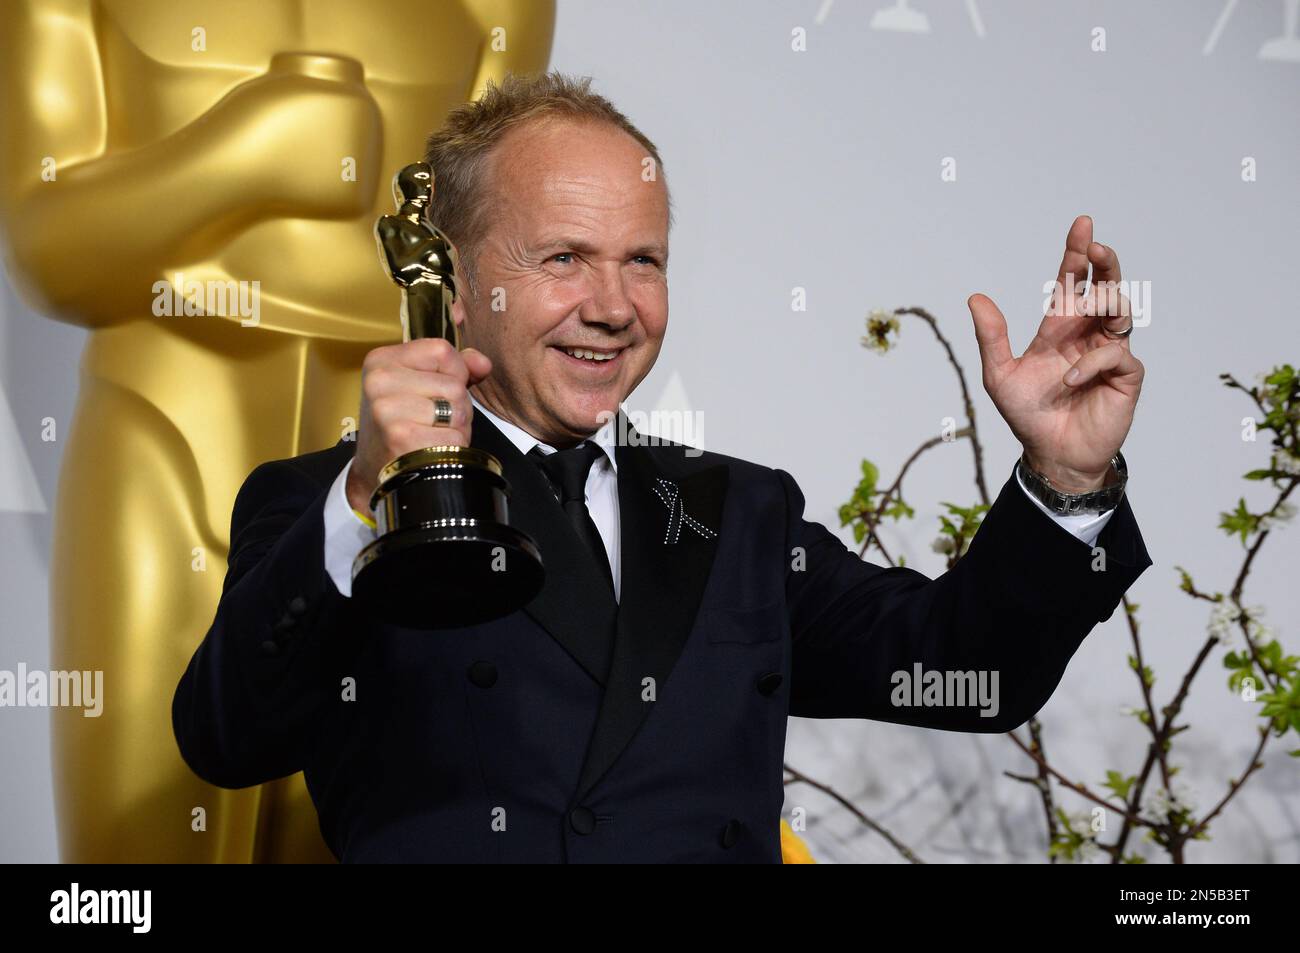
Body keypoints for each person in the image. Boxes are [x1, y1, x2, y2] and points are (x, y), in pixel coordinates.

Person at [173, 71, 1151, 863]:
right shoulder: (329, 503)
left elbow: (966, 672)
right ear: (455, 289)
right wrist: (360, 498)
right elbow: (224, 736)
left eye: (642, 260)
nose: (613, 305)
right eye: (562, 258)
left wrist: (1063, 478)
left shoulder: (742, 510)